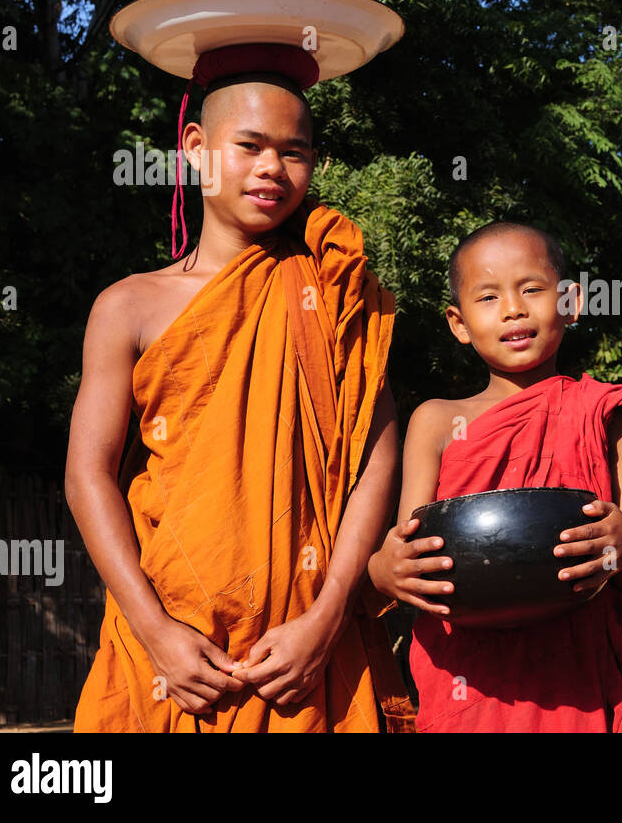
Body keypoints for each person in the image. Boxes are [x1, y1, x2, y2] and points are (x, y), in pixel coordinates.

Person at [66, 44, 412, 731]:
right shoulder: (129, 306)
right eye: (249, 144)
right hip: (175, 641)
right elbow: (86, 475)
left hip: (306, 642)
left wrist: (328, 612)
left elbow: (377, 448)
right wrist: (155, 630)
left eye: (295, 151)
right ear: (195, 147)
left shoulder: (332, 287)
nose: (271, 170)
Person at [367, 222, 622, 732]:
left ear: (570, 301)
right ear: (458, 323)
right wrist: (383, 572)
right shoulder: (436, 420)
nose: (512, 309)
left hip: (580, 680)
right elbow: (406, 549)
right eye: (488, 296)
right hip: (472, 679)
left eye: (531, 289)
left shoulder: (609, 414)